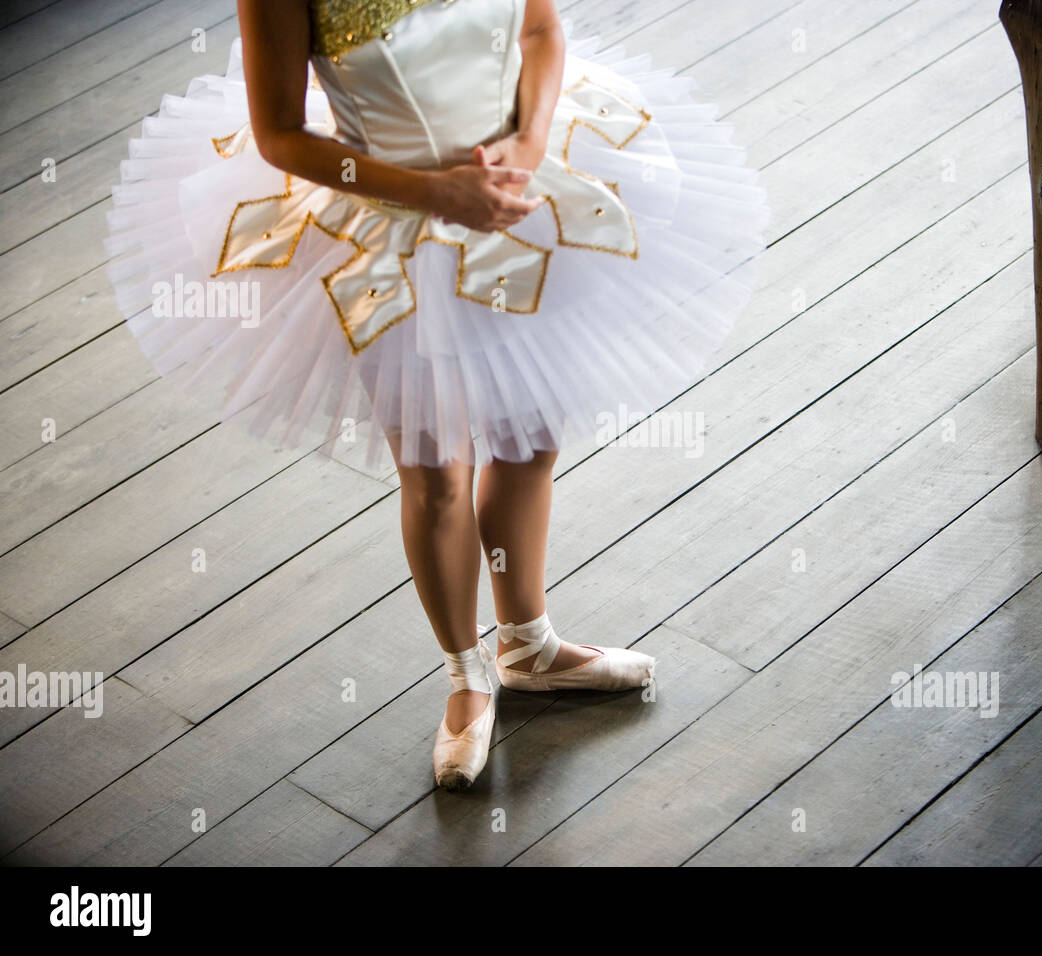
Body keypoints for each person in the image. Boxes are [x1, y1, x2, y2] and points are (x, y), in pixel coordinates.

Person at [103, 0, 769, 790]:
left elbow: (540, 29)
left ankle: (528, 645)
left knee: (530, 440)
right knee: (436, 473)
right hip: (395, 224)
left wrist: (524, 144)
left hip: (522, 189)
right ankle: (467, 675)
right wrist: (437, 193)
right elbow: (281, 135)